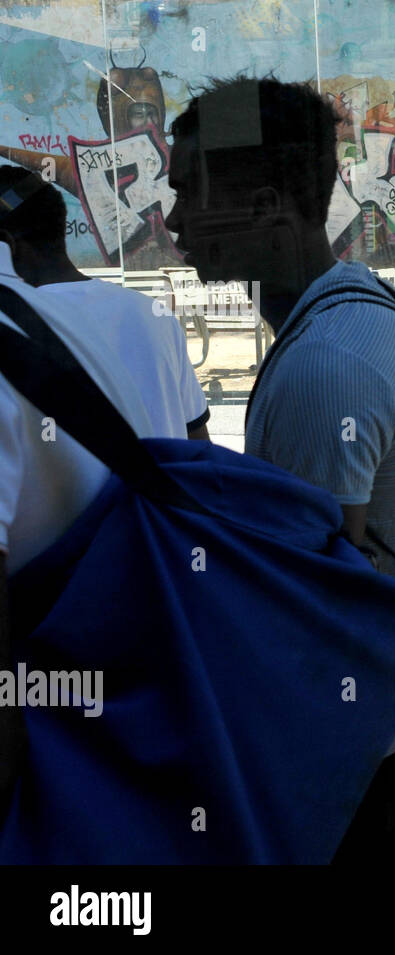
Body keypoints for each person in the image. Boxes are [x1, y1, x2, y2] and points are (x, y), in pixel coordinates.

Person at [163, 75, 395, 864]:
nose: (170, 222)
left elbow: (307, 614)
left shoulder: (323, 368)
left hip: (358, 750)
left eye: (185, 196)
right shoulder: (356, 304)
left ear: (265, 206)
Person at [0, 167, 208, 810]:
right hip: (159, 608)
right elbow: (198, 458)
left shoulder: (15, 331)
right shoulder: (148, 315)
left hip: (52, 637)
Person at [0, 166, 210, 442]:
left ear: (7, 246)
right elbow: (199, 444)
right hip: (166, 483)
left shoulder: (11, 330)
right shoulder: (154, 316)